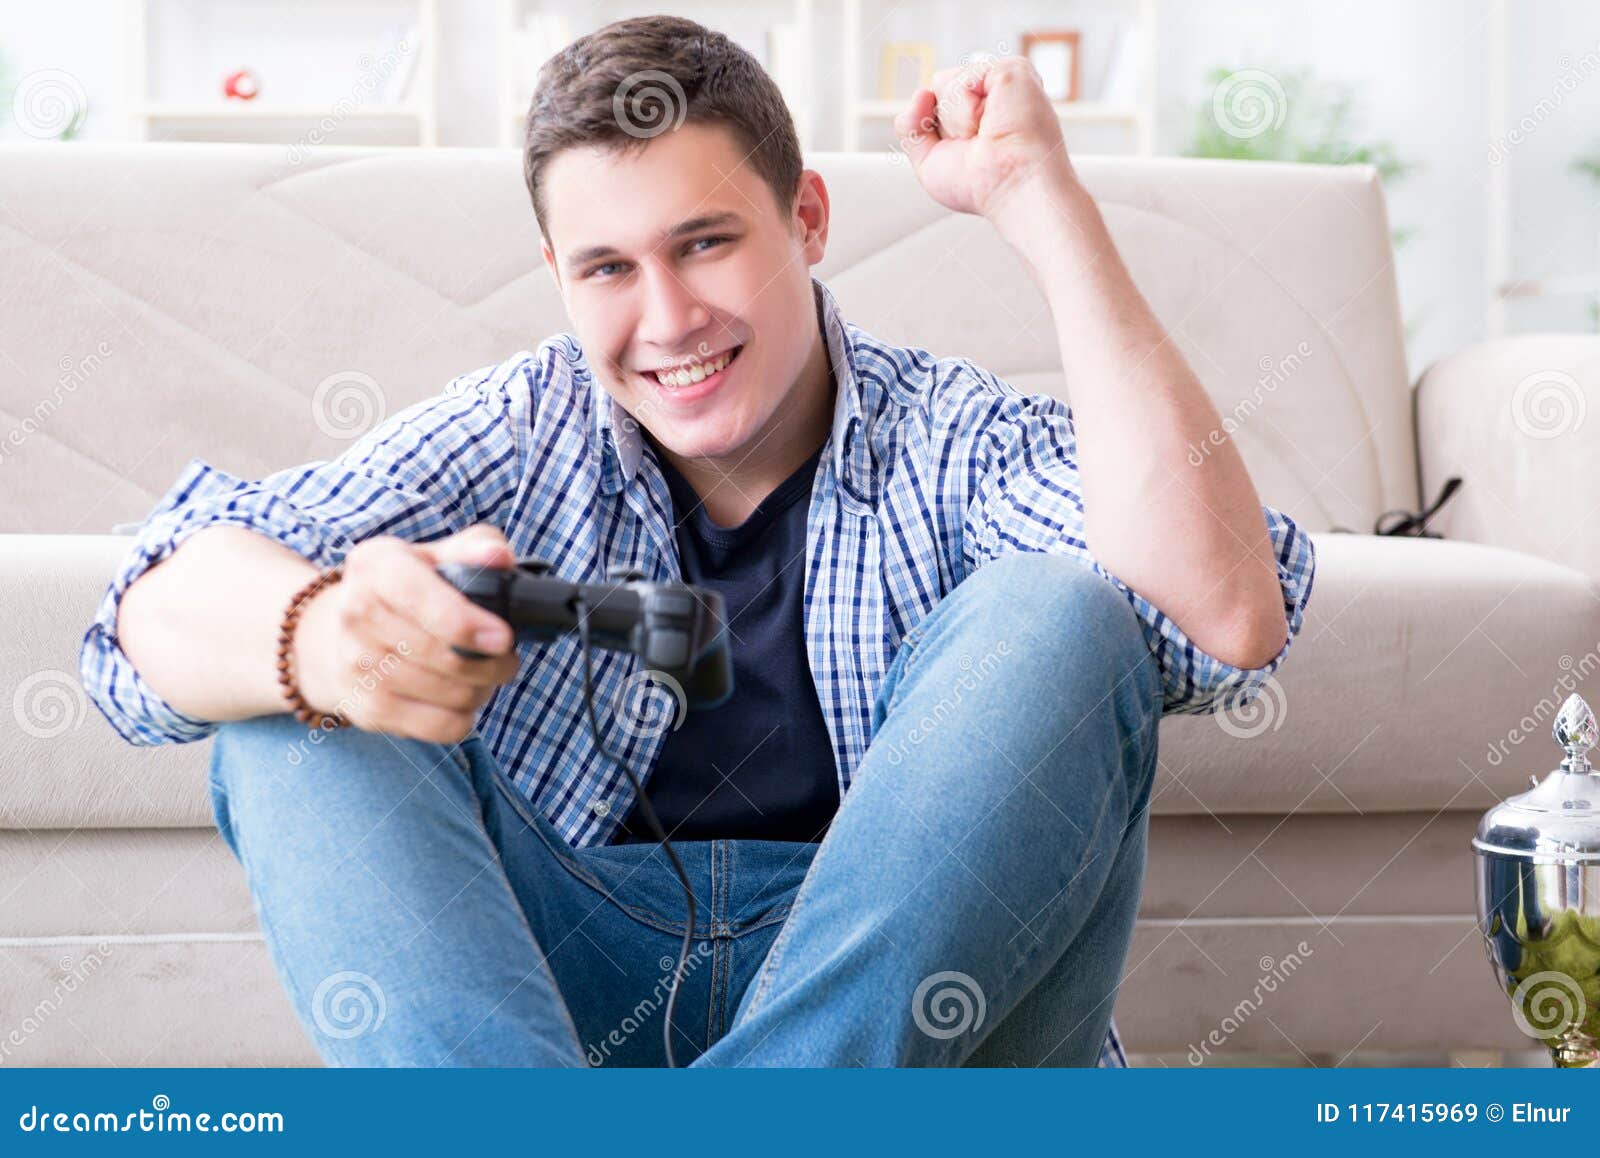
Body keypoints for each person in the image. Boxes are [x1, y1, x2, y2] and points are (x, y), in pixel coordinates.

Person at [81, 14, 1315, 1068]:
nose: (667, 319)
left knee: (1058, 617)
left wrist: (1042, 206)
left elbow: (1222, 617)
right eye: (608, 269)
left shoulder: (952, 438)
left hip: (911, 1030)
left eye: (705, 243)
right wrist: (318, 639)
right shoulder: (518, 428)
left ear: (807, 218)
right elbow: (150, 600)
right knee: (289, 686)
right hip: (572, 1007)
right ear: (557, 276)